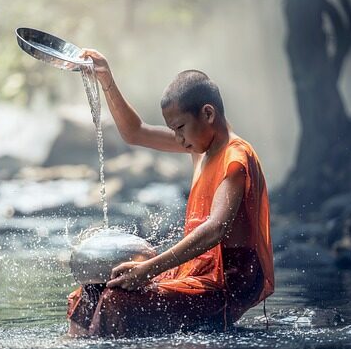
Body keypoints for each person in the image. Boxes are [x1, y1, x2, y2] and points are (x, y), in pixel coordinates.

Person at [66, 49, 275, 338]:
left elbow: (216, 228)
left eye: (179, 128)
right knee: (92, 289)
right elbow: (135, 132)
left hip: (225, 285)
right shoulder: (199, 145)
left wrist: (149, 269)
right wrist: (106, 79)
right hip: (194, 272)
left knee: (116, 300)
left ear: (208, 114)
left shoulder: (234, 157)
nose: (178, 140)